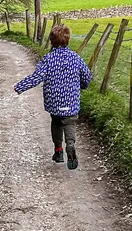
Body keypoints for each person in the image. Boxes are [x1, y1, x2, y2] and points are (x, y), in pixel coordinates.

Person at [14, 24, 91, 169]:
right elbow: (87, 76)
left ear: (51, 41)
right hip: (71, 98)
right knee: (69, 122)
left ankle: (58, 151)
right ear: (68, 39)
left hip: (54, 100)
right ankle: (70, 145)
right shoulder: (75, 58)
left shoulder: (48, 59)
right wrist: (82, 85)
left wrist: (20, 87)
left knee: (56, 122)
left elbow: (36, 77)